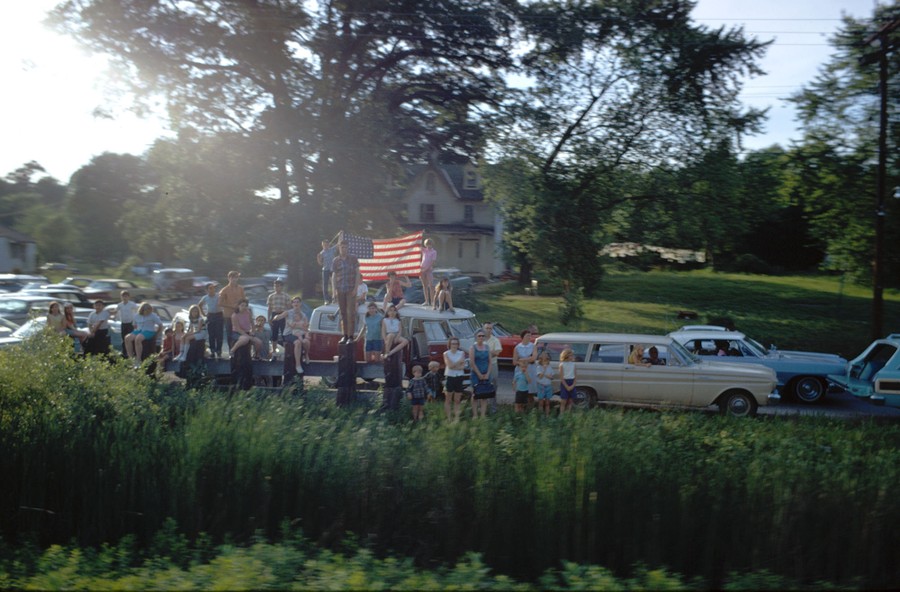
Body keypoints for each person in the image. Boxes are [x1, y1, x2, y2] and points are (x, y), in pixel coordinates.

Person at [331, 238, 360, 343]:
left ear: (348, 248)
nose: (344, 249)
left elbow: (357, 273)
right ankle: (345, 335)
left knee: (350, 313)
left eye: (346, 247)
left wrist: (356, 288)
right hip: (340, 289)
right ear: (339, 248)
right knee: (343, 313)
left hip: (350, 289)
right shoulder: (336, 260)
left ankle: (351, 337)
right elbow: (333, 276)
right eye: (342, 247)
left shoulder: (353, 259)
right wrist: (334, 291)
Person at [272, 296, 309, 373]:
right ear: (292, 304)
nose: (296, 303)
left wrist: (301, 327)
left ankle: (306, 355)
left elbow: (306, 326)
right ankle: (298, 365)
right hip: (289, 333)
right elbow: (279, 316)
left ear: (300, 304)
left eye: (297, 302)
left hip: (300, 333)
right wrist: (276, 317)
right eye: (294, 302)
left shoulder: (303, 314)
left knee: (306, 342)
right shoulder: (288, 312)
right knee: (298, 342)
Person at [125, 302, 163, 367]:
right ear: (142, 310)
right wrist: (135, 332)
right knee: (127, 338)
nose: (148, 311)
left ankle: (138, 359)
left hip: (149, 331)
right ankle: (131, 358)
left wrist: (157, 334)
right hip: (139, 330)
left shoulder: (153, 315)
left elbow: (160, 325)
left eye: (149, 309)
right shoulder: (137, 315)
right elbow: (134, 325)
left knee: (138, 338)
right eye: (146, 309)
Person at [469, 329, 494, 418]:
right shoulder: (473, 348)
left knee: (485, 395)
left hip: (486, 373)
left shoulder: (487, 347)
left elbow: (490, 362)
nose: (481, 337)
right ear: (476, 337)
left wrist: (487, 373)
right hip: (476, 373)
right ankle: (475, 415)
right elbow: (472, 362)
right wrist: (479, 374)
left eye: (483, 336)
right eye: (479, 336)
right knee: (475, 394)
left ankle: (483, 415)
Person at [218, 270, 245, 351]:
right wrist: (232, 306)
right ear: (229, 278)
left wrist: (243, 307)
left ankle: (239, 350)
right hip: (228, 315)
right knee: (230, 333)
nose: (234, 279)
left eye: (236, 277)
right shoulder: (224, 290)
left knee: (241, 332)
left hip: (239, 315)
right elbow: (220, 303)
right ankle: (231, 351)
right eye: (232, 277)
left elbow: (244, 300)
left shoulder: (240, 288)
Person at [443, 337, 466, 421]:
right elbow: (450, 366)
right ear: (449, 344)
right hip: (450, 377)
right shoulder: (446, 353)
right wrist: (458, 363)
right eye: (453, 343)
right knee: (448, 399)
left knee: (457, 399)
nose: (454, 345)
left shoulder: (461, 353)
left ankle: (456, 418)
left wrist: (455, 365)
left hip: (459, 377)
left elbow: (462, 367)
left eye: (456, 343)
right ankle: (449, 418)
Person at [198, 282, 223, 358]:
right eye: (210, 288)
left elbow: (224, 302)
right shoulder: (205, 297)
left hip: (219, 315)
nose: (212, 289)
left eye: (213, 288)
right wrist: (204, 314)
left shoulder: (218, 296)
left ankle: (219, 351)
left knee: (219, 335)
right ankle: (212, 351)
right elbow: (199, 305)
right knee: (211, 335)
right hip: (210, 316)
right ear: (207, 290)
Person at [512, 329, 538, 403]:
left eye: (530, 336)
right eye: (527, 336)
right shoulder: (517, 347)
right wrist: (521, 362)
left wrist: (522, 359)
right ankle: (521, 407)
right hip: (521, 370)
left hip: (530, 369)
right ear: (523, 337)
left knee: (530, 391)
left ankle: (530, 408)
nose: (529, 337)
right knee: (521, 390)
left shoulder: (533, 346)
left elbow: (533, 358)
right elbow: (514, 361)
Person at [482, 322, 502, 412]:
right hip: (481, 365)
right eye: (487, 328)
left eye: (490, 328)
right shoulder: (479, 339)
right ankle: (481, 408)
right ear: (483, 329)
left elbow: (497, 352)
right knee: (480, 386)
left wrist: (484, 353)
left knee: (493, 386)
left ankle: (493, 409)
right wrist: (491, 352)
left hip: (493, 365)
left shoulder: (495, 340)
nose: (488, 330)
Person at [266, 278, 290, 354]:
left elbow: (289, 307)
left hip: (283, 314)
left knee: (284, 333)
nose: (277, 288)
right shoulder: (271, 296)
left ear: (282, 287)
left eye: (279, 286)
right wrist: (269, 318)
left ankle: (287, 350)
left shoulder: (286, 296)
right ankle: (274, 350)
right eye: (275, 286)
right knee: (274, 333)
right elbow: (269, 308)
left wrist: (288, 317)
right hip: (274, 314)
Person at [113, 290, 139, 356]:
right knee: (123, 338)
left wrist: (136, 321)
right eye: (123, 296)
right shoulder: (120, 305)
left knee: (131, 338)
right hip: (123, 323)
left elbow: (138, 311)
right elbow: (115, 311)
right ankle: (124, 352)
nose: (124, 298)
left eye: (126, 296)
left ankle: (132, 352)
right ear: (121, 297)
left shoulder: (132, 304)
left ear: (128, 297)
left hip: (131, 323)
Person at [317, 239, 336, 303]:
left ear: (328, 245)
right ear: (322, 245)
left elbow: (339, 244)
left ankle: (334, 298)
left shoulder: (332, 250)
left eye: (327, 245)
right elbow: (320, 263)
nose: (325, 246)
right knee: (325, 285)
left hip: (332, 269)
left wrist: (341, 234)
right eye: (324, 245)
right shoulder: (321, 253)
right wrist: (318, 259)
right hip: (325, 270)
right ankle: (326, 299)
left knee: (333, 284)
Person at [558, 348, 577, 413]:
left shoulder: (573, 364)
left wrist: (573, 385)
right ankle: (562, 414)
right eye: (570, 355)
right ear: (566, 356)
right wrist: (566, 386)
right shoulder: (562, 365)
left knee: (571, 400)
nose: (572, 357)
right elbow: (561, 378)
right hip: (565, 383)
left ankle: (568, 414)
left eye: (572, 355)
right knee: (564, 401)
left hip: (571, 382)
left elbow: (575, 376)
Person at [536, 351, 554, 416]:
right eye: (544, 361)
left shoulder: (550, 367)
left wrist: (545, 375)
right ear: (541, 360)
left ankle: (547, 415)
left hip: (548, 386)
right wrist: (544, 370)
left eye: (546, 360)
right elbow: (540, 377)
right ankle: (540, 415)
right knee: (541, 402)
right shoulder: (539, 367)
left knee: (547, 403)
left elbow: (552, 377)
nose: (545, 362)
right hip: (541, 386)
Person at [420, 238, 437, 307]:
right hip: (422, 268)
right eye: (427, 244)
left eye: (429, 244)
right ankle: (426, 301)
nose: (428, 246)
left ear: (431, 244)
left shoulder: (434, 252)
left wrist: (426, 269)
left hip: (429, 269)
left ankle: (433, 301)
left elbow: (432, 262)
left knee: (431, 285)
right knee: (424, 285)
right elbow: (417, 245)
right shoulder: (424, 250)